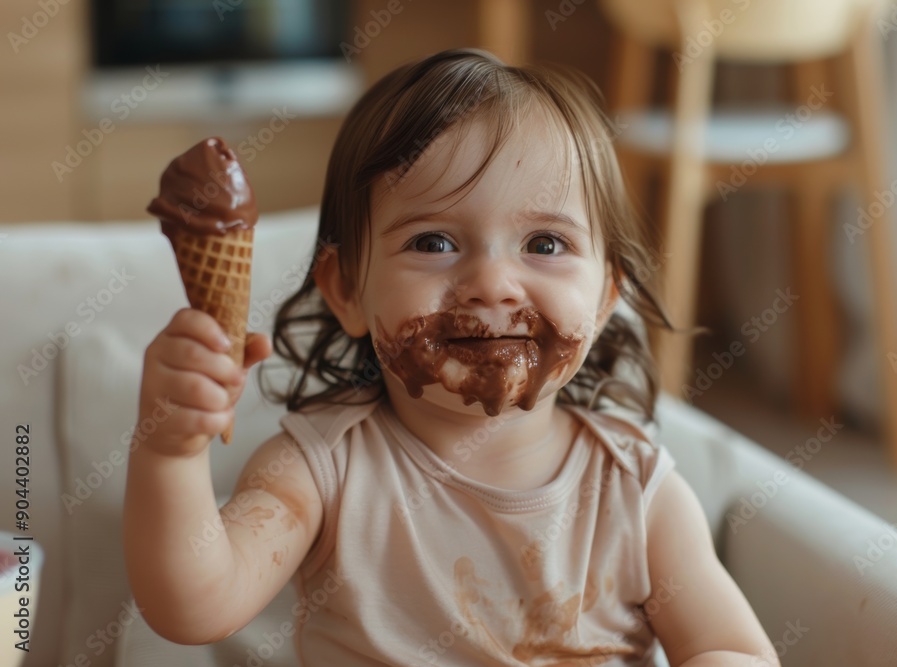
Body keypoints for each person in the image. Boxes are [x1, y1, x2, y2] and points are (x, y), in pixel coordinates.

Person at [123, 49, 779, 667]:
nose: (493, 283)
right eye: (434, 240)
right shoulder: (321, 469)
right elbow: (192, 605)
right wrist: (170, 449)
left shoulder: (636, 491)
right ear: (347, 291)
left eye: (545, 243)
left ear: (607, 298)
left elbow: (738, 650)